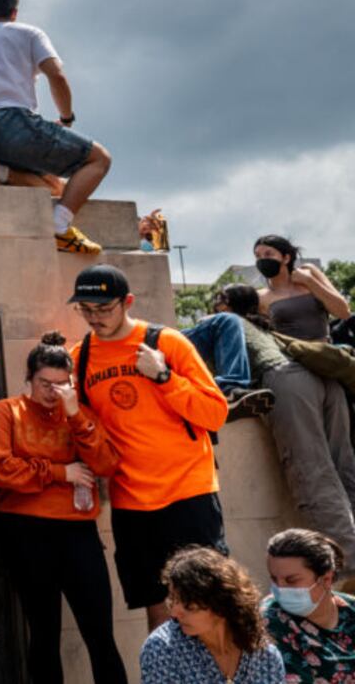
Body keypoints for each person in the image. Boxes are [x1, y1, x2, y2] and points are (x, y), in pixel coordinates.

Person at [68, 264, 229, 631]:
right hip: (131, 501)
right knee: (155, 607)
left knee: (208, 602)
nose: (94, 318)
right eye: (85, 310)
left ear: (127, 302)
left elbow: (215, 414)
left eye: (103, 309)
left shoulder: (166, 343)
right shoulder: (82, 358)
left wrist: (164, 377)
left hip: (188, 492)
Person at [0, 331, 126, 684]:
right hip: (25, 530)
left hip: (78, 531)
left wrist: (76, 415)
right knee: (43, 633)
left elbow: (106, 464)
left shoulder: (79, 414)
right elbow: (1, 470)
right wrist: (62, 472)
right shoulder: (7, 411)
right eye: (45, 383)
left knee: (100, 634)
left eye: (62, 385)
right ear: (29, 379)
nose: (52, 392)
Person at [0, 0, 111, 254]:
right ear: (14, 12)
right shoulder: (29, 34)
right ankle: (60, 226)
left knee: (56, 186)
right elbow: (57, 76)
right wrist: (66, 119)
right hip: (13, 125)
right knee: (99, 159)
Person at [222, 284, 355, 569]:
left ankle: (347, 565)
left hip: (288, 380)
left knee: (311, 470)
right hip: (325, 380)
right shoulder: (265, 326)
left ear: (224, 305)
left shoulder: (225, 324)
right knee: (344, 468)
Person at [140, 546, 283, 683]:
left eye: (189, 606)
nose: (174, 613)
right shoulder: (162, 649)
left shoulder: (264, 655)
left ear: (222, 605)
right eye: (173, 600)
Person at [264, 528, 355, 681]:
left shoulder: (349, 609)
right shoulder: (271, 623)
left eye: (291, 580)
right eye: (274, 579)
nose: (280, 589)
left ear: (326, 579)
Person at [255, 235, 350, 341]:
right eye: (258, 256)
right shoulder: (259, 296)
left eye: (268, 254)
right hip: (288, 356)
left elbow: (344, 313)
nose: (262, 260)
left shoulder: (309, 273)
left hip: (324, 354)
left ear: (286, 258)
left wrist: (310, 281)